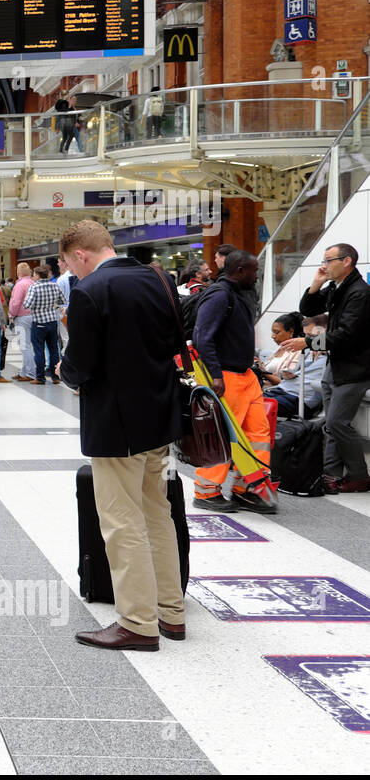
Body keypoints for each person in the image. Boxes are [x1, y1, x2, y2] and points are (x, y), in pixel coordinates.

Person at [58, 221, 185, 652]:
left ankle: (138, 623)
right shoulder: (159, 278)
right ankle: (171, 612)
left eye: (70, 266)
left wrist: (64, 372)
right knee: (157, 513)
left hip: (117, 423)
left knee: (120, 521)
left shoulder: (90, 290)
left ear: (80, 255)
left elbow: (82, 361)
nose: (74, 275)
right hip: (160, 416)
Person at [192, 250, 276, 514]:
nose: (257, 275)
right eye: (253, 270)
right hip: (226, 377)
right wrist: (216, 374)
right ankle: (205, 492)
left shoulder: (238, 295)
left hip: (245, 375)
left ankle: (247, 487)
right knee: (221, 437)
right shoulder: (219, 295)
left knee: (258, 435)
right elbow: (202, 336)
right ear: (240, 270)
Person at [284, 243, 370, 493]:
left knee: (337, 423)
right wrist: (316, 284)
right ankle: (331, 473)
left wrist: (307, 342)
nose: (324, 265)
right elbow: (307, 309)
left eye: (329, 260)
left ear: (347, 261)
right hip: (337, 365)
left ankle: (359, 475)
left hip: (355, 369)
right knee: (331, 424)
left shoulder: (360, 293)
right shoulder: (337, 287)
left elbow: (346, 335)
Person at [257, 312, 325, 419]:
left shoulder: (327, 356)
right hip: (281, 391)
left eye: (310, 336)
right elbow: (294, 374)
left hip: (297, 399)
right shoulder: (307, 351)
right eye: (305, 335)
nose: (306, 339)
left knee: (253, 405)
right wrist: (286, 375)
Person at [23, 265, 65, 385]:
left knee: (39, 350)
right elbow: (62, 300)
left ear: (37, 275)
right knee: (54, 350)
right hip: (52, 321)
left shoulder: (34, 287)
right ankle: (56, 376)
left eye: (34, 274)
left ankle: (40, 377)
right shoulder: (55, 285)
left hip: (39, 323)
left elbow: (27, 304)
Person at [9, 262, 36, 381]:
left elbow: (16, 302)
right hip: (34, 316)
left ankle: (30, 373)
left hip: (22, 317)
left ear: (18, 272)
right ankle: (24, 371)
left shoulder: (20, 285)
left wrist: (11, 315)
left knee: (24, 346)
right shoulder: (33, 283)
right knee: (29, 346)